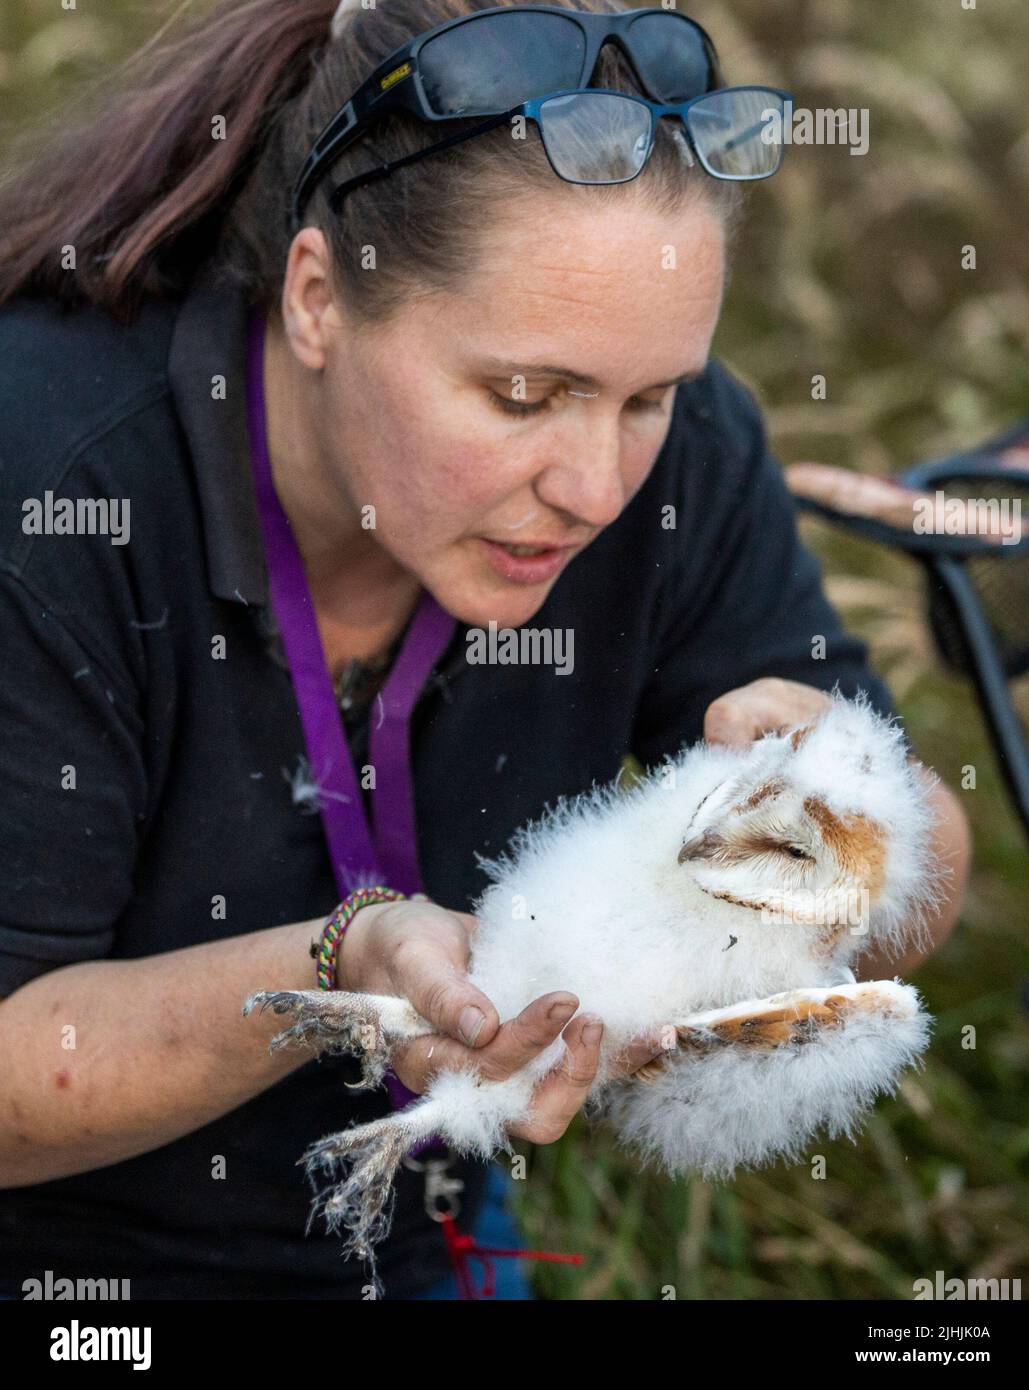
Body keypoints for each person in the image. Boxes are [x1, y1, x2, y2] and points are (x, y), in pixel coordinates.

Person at [0, 0, 970, 1301]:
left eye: (648, 396)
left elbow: (928, 874)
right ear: (316, 300)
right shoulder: (54, 483)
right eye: (523, 395)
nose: (593, 485)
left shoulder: (687, 465)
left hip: (422, 1239)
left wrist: (848, 826)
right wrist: (338, 964)